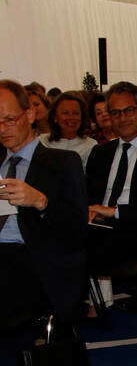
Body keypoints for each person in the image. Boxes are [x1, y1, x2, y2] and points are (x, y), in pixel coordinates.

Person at [0, 80, 87, 328]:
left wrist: (41, 201)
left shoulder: (62, 163)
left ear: (29, 114)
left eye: (9, 120)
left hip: (37, 259)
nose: (2, 129)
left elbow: (76, 230)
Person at [86, 82, 137, 308]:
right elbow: (86, 195)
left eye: (129, 110)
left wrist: (115, 212)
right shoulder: (100, 153)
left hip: (136, 229)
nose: (122, 118)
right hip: (97, 227)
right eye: (115, 112)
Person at [40, 91, 97, 170]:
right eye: (65, 113)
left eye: (76, 113)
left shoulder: (92, 145)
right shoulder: (42, 142)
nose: (71, 117)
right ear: (55, 117)